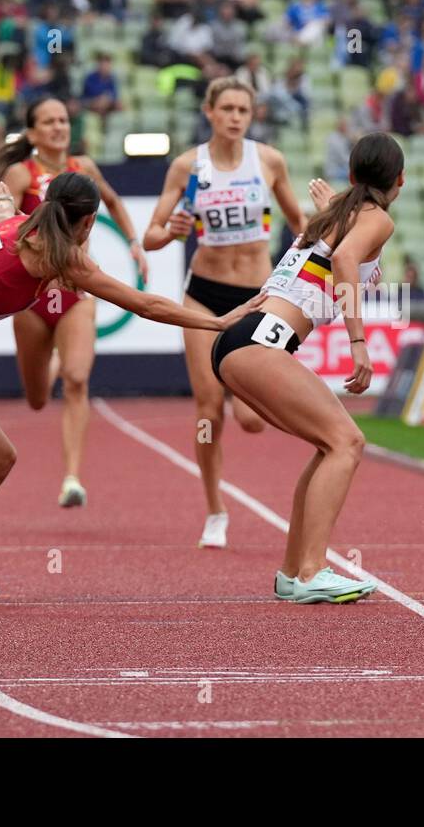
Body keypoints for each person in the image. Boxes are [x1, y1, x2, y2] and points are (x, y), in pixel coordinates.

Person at [0, 173, 262, 606]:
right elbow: (145, 304)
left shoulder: (24, 225)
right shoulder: (64, 258)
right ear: (87, 225)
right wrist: (217, 321)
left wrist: (4, 202)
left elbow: (4, 214)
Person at [212, 133, 401, 603]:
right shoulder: (377, 220)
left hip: (241, 340)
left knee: (327, 444)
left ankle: (294, 571)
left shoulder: (331, 215)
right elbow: (344, 259)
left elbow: (335, 242)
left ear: (353, 175)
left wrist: (335, 201)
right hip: (262, 343)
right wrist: (359, 342)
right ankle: (313, 571)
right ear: (399, 181)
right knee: (348, 441)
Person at [144, 78, 302, 549]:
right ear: (209, 112)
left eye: (243, 109)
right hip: (204, 295)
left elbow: (299, 223)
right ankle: (215, 509)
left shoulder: (268, 161)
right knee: (209, 410)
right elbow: (151, 236)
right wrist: (169, 231)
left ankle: (241, 392)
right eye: (227, 108)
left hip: (257, 295)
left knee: (253, 420)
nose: (235, 116)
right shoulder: (188, 165)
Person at [0, 97, 148, 508]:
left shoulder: (83, 168)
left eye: (63, 120)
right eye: (48, 121)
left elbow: (114, 202)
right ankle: (49, 363)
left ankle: (72, 478)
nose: (58, 127)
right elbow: (0, 226)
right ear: (33, 133)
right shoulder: (22, 173)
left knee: (76, 380)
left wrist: (133, 244)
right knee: (37, 397)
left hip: (75, 292)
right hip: (32, 298)